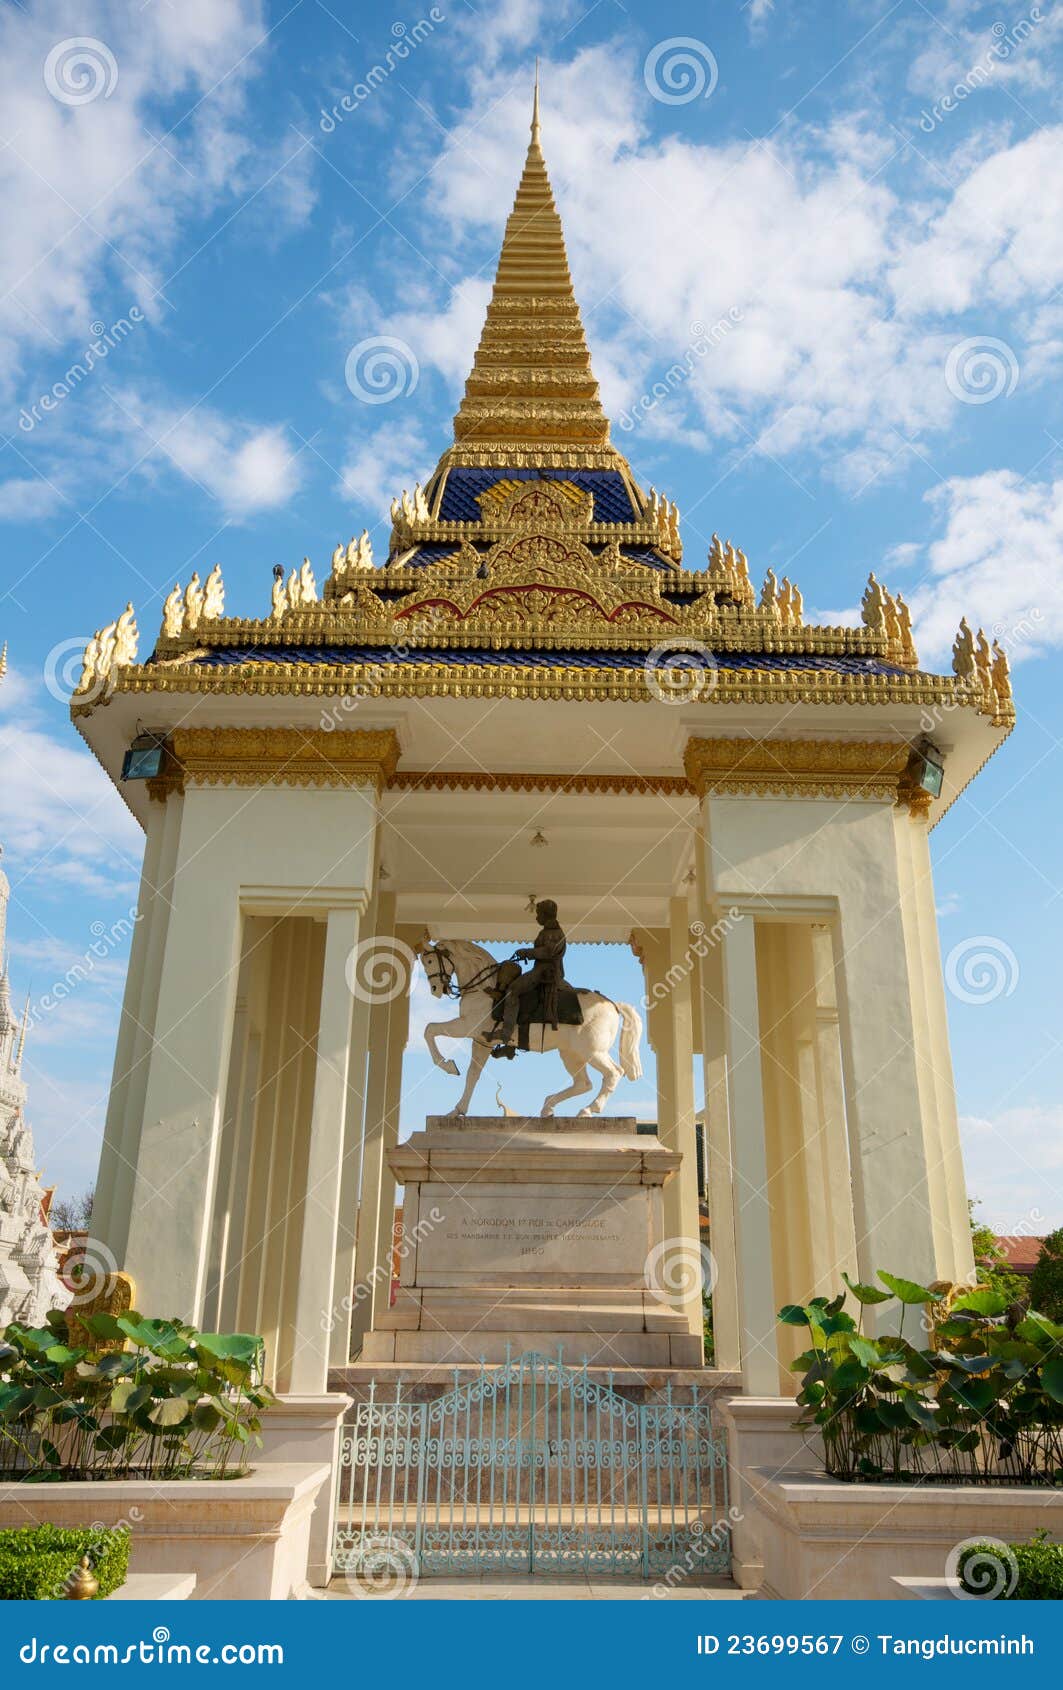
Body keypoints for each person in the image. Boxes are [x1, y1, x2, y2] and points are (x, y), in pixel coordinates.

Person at [487, 899, 568, 1051]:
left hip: (544, 972)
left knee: (512, 991)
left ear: (546, 915)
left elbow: (548, 952)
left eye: (539, 914)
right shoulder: (547, 931)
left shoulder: (554, 933)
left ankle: (506, 1032)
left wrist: (527, 952)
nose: (537, 918)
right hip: (540, 969)